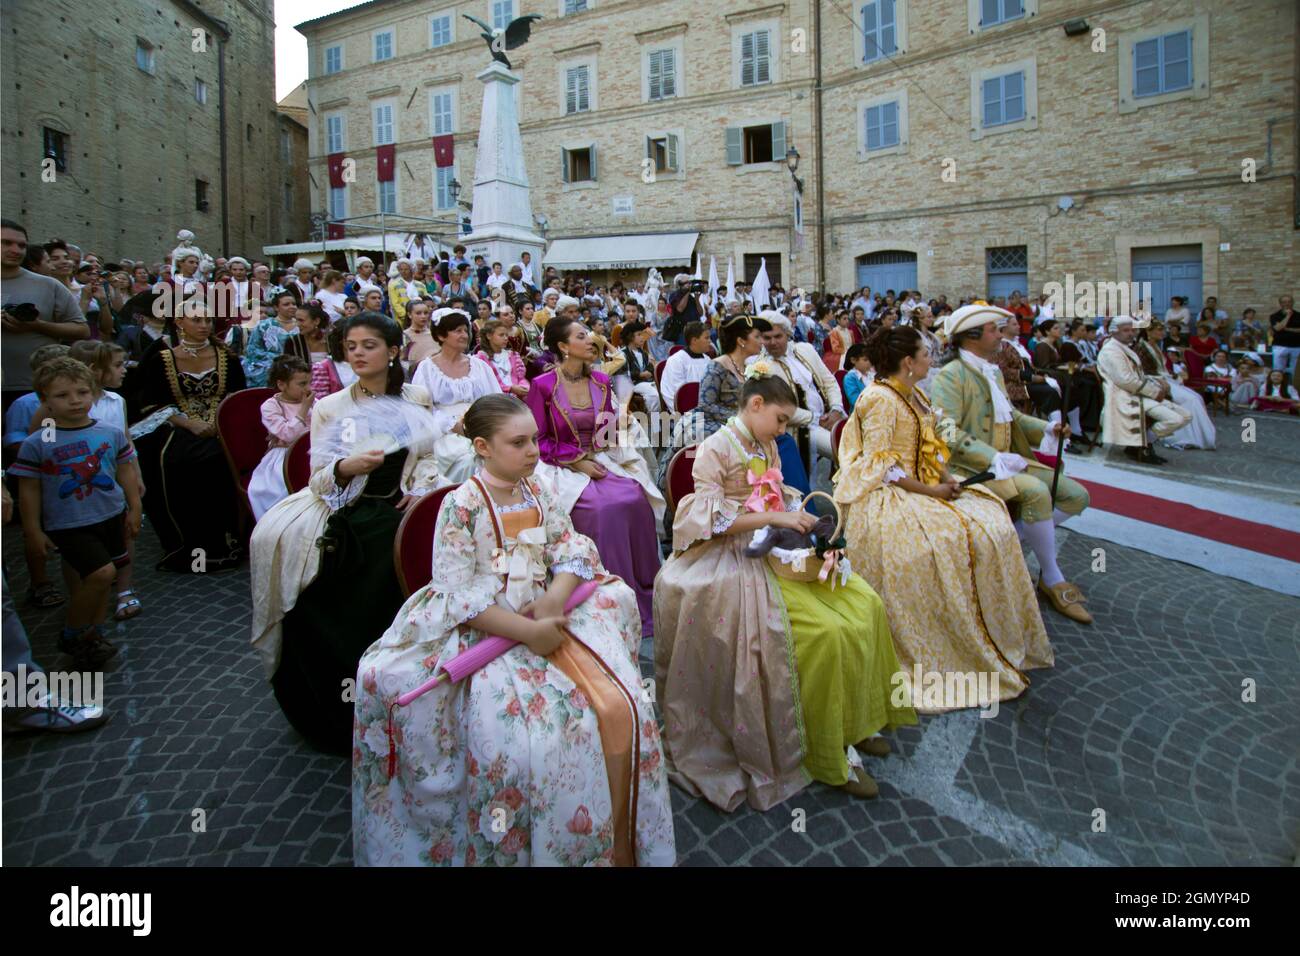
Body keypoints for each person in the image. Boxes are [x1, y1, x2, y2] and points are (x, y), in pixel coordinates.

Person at [352, 394, 675, 866]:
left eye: (534, 441)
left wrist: (553, 598)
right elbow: (458, 595)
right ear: (482, 446)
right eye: (518, 443)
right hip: (491, 623)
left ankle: (615, 836)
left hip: (548, 607)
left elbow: (570, 546)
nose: (532, 452)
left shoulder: (539, 489)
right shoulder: (461, 506)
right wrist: (526, 632)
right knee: (528, 736)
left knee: (621, 703)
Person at [655, 372, 916, 810]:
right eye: (779, 419)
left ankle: (855, 721)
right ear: (754, 404)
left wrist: (797, 514)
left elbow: (774, 496)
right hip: (731, 557)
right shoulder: (715, 449)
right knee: (825, 634)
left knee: (867, 603)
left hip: (775, 548)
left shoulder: (767, 443)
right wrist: (774, 521)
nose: (782, 430)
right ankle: (826, 748)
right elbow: (707, 521)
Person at [250, 312, 449, 755]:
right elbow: (317, 479)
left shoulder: (416, 395)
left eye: (368, 345)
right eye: (351, 346)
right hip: (351, 512)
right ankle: (349, 704)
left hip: (402, 505)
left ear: (393, 351)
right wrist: (345, 467)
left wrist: (420, 489)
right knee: (323, 585)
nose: (357, 353)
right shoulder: (330, 407)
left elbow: (431, 458)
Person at [835, 326, 1054, 712]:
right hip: (892, 493)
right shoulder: (880, 400)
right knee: (949, 538)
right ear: (909, 362)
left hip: (924, 483)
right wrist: (931, 491)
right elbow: (881, 465)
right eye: (925, 353)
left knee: (991, 519)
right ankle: (950, 637)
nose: (930, 359)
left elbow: (933, 444)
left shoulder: (916, 393)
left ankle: (985, 629)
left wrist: (948, 478)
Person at [929, 304, 1093, 624]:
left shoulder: (991, 369)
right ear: (971, 337)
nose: (1000, 335)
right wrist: (993, 457)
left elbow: (1012, 418)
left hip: (1010, 460)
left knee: (1077, 495)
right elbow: (945, 430)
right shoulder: (952, 375)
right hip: (972, 467)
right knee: (1035, 492)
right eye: (993, 330)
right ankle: (1052, 575)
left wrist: (1046, 428)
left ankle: (1012, 538)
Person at [525, 316, 664, 637]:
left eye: (589, 335)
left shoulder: (602, 380)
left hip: (600, 457)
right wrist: (576, 460)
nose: (591, 340)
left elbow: (607, 430)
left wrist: (618, 423)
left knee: (634, 496)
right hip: (558, 463)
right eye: (582, 336)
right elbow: (538, 438)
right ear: (563, 346)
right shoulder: (543, 386)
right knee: (600, 509)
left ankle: (643, 596)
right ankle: (604, 595)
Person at [11, 357, 141, 667]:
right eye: (62, 395)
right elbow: (28, 489)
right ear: (44, 400)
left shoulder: (110, 433)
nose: (75, 401)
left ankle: (92, 636)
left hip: (109, 514)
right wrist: (32, 530)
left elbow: (125, 473)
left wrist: (135, 507)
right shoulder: (37, 442)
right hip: (68, 522)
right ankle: (72, 632)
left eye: (82, 393)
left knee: (94, 580)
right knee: (102, 573)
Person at [131, 303, 247, 572]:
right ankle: (188, 544)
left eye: (208, 319)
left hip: (221, 426)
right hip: (179, 426)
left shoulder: (227, 357)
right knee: (172, 462)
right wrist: (188, 423)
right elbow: (151, 402)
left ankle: (227, 540)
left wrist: (219, 422)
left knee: (220, 461)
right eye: (197, 319)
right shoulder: (162, 359)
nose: (204, 325)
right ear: (180, 322)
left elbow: (236, 395)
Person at [748, 311, 845, 490]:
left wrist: (836, 409)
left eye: (778, 336)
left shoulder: (805, 350)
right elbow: (778, 409)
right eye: (767, 338)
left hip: (829, 418)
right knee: (846, 450)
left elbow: (829, 381)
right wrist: (816, 419)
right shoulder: (759, 367)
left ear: (788, 334)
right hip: (801, 428)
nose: (773, 342)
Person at [1, 221, 89, 415]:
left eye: (22, 245)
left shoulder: (48, 285)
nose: (15, 250)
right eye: (6, 243)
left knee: (41, 441)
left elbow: (81, 330)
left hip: (38, 387)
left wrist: (36, 325)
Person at [412, 308, 501, 482]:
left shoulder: (479, 366)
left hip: (479, 425)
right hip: (443, 432)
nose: (464, 335)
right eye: (457, 331)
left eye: (465, 330)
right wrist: (453, 425)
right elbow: (421, 408)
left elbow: (495, 399)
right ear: (441, 336)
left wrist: (481, 424)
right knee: (468, 460)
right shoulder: (427, 368)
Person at [1096, 315, 1192, 465]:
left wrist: (1156, 385)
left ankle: (1141, 444)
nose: (1131, 333)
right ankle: (1141, 445)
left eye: (1132, 330)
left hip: (1138, 394)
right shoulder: (1111, 351)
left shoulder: (1124, 348)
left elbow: (1138, 376)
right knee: (1175, 419)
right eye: (1126, 330)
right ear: (1114, 332)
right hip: (1124, 397)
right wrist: (1154, 392)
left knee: (1186, 415)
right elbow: (1126, 381)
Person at [248, 356, 313, 521]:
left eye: (309, 383)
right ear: (282, 384)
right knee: (280, 489)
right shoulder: (271, 406)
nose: (308, 389)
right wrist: (304, 410)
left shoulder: (313, 402)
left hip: (312, 451)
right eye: (302, 384)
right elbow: (288, 435)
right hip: (284, 455)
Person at [1133, 321, 1215, 450]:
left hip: (1164, 379)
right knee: (1190, 399)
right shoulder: (1141, 347)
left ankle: (1197, 436)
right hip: (1153, 381)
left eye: (1163, 330)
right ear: (1149, 331)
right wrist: (1161, 379)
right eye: (1159, 330)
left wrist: (1174, 375)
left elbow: (1162, 369)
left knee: (1197, 398)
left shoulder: (1156, 347)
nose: (1162, 333)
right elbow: (1141, 371)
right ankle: (1180, 436)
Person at [242, 290, 300, 387]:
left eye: (294, 304)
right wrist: (276, 361)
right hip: (269, 371)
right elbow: (253, 350)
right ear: (276, 307)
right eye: (286, 304)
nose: (292, 307)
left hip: (298, 370)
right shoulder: (264, 325)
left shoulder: (301, 325)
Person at [659, 322, 711, 414]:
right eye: (706, 338)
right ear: (694, 340)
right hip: (685, 412)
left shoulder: (707, 360)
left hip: (706, 408)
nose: (710, 341)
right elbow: (677, 394)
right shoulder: (677, 360)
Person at [475, 317, 529, 397]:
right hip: (495, 400)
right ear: (489, 336)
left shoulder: (513, 355)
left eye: (506, 335)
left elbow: (520, 378)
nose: (506, 338)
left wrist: (524, 387)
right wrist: (509, 388)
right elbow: (486, 384)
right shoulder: (481, 358)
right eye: (501, 335)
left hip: (515, 399)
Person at [618, 320, 660, 415]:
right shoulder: (623, 353)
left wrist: (649, 371)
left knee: (663, 391)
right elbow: (623, 374)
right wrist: (639, 374)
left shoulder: (643, 352)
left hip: (648, 381)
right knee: (654, 395)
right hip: (634, 383)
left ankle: (660, 419)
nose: (642, 337)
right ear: (630, 337)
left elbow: (650, 365)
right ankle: (654, 423)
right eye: (639, 335)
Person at [399, 299, 437, 371]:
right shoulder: (405, 336)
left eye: (426, 313)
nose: (423, 316)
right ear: (410, 315)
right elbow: (402, 361)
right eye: (418, 313)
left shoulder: (435, 335)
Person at [1270, 295, 1299, 376]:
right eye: (1284, 302)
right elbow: (1278, 328)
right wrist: (1288, 316)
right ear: (1280, 304)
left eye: (1289, 301)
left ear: (1292, 303)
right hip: (1280, 345)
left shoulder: (1298, 315)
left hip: (1296, 346)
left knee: (1296, 371)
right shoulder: (1275, 316)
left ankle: (1294, 388)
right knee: (1278, 370)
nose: (1287, 304)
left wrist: (1287, 329)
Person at [842, 343, 874, 409]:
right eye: (865, 360)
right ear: (853, 360)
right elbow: (855, 401)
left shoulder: (871, 374)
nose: (869, 363)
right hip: (862, 413)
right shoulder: (850, 378)